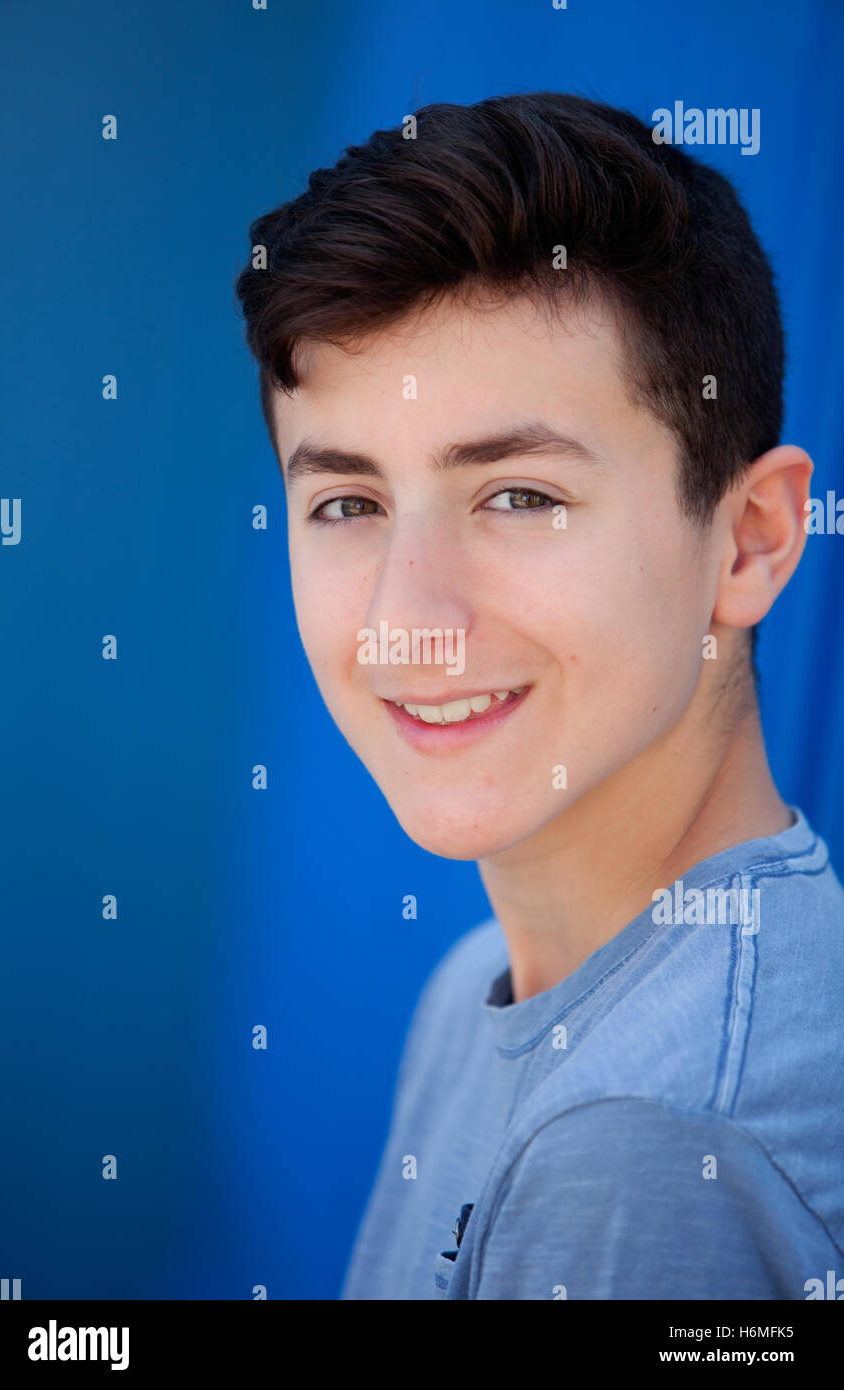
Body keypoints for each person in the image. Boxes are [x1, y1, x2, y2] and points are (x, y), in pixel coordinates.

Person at [235, 93, 844, 1299]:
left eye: (518, 496)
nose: (409, 614)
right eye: (347, 505)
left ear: (749, 541)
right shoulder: (475, 989)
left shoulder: (648, 1140)